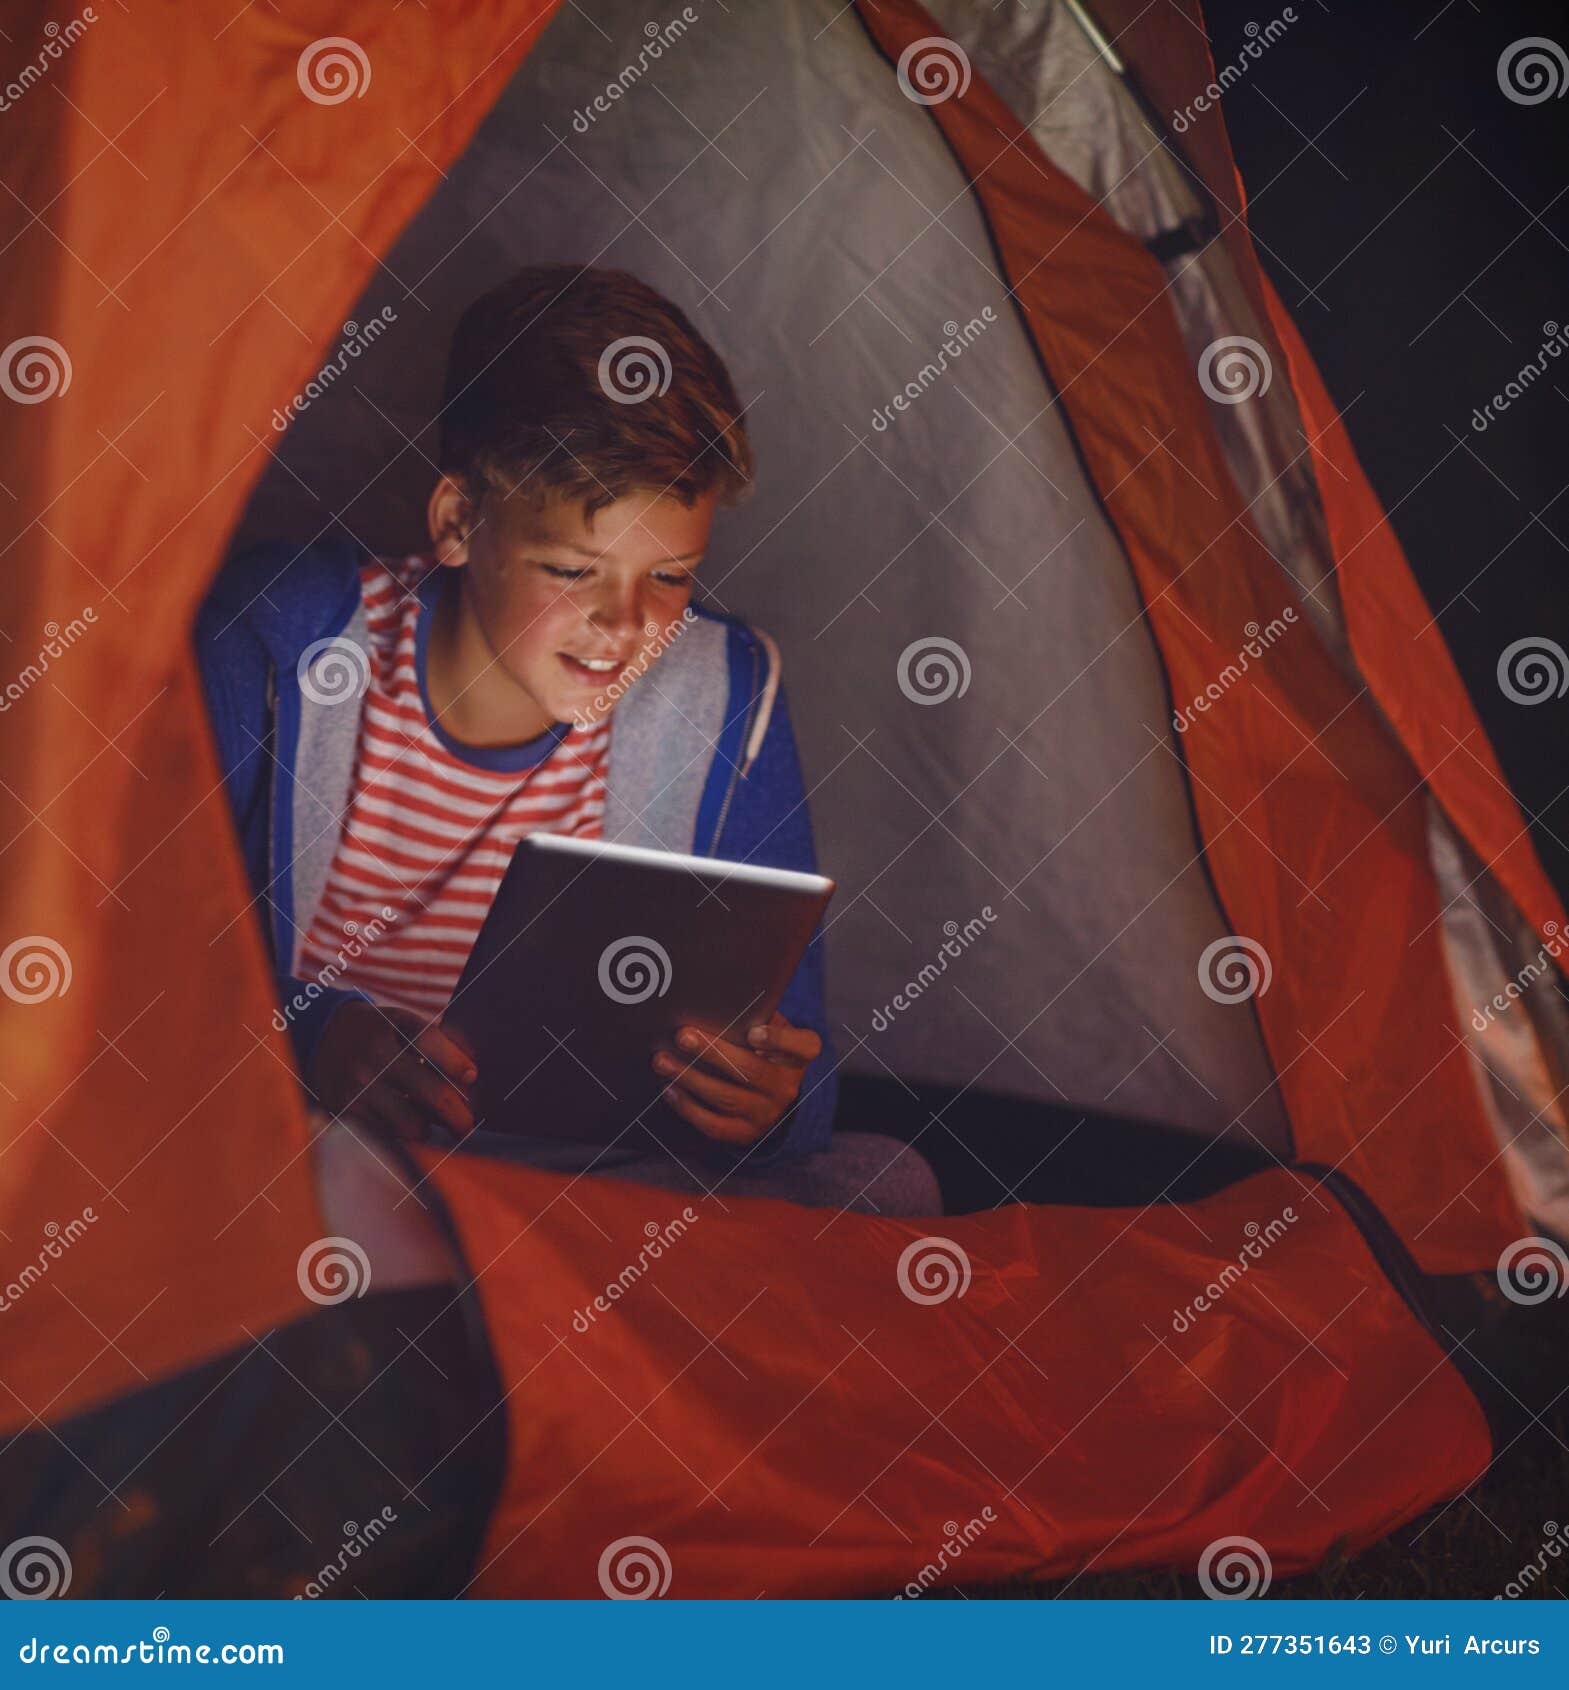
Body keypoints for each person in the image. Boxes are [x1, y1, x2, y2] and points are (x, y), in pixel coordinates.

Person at [198, 265, 938, 1214]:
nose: (623, 625)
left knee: (886, 1182)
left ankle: (510, 1302)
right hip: (329, 1157)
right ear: (460, 522)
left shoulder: (726, 690)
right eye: (570, 570)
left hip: (577, 1189)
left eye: (669, 578)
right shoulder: (278, 640)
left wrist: (768, 1107)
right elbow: (145, 972)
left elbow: (794, 1048)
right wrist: (313, 1040)